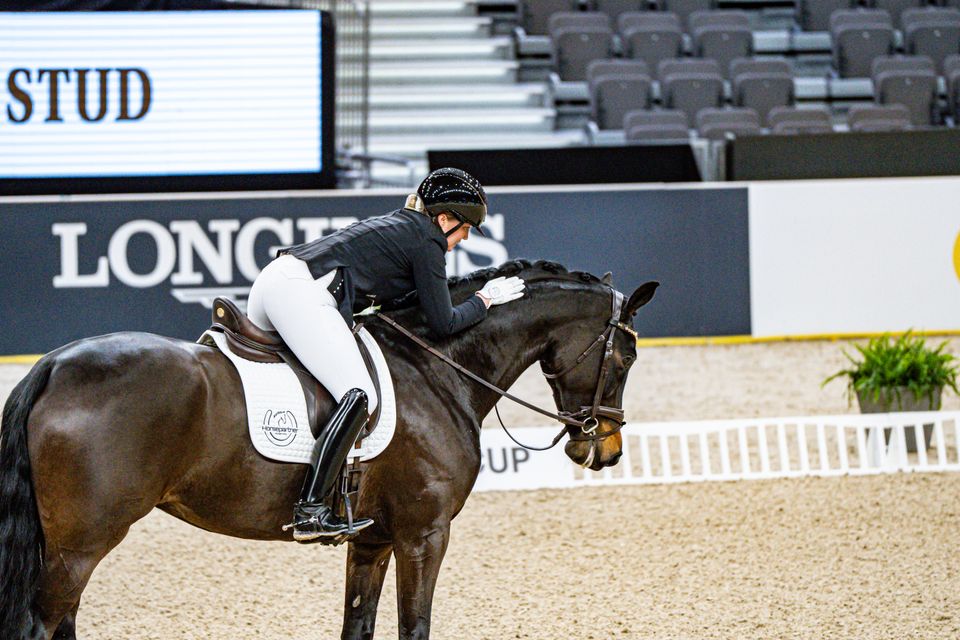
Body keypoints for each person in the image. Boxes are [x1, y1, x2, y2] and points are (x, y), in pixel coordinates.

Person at [247, 167, 525, 543]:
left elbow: (406, 301)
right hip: (299, 294)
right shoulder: (427, 241)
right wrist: (484, 299)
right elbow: (443, 323)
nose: (463, 238)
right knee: (360, 394)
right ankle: (311, 509)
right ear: (445, 219)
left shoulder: (404, 224)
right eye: (464, 229)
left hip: (273, 281)